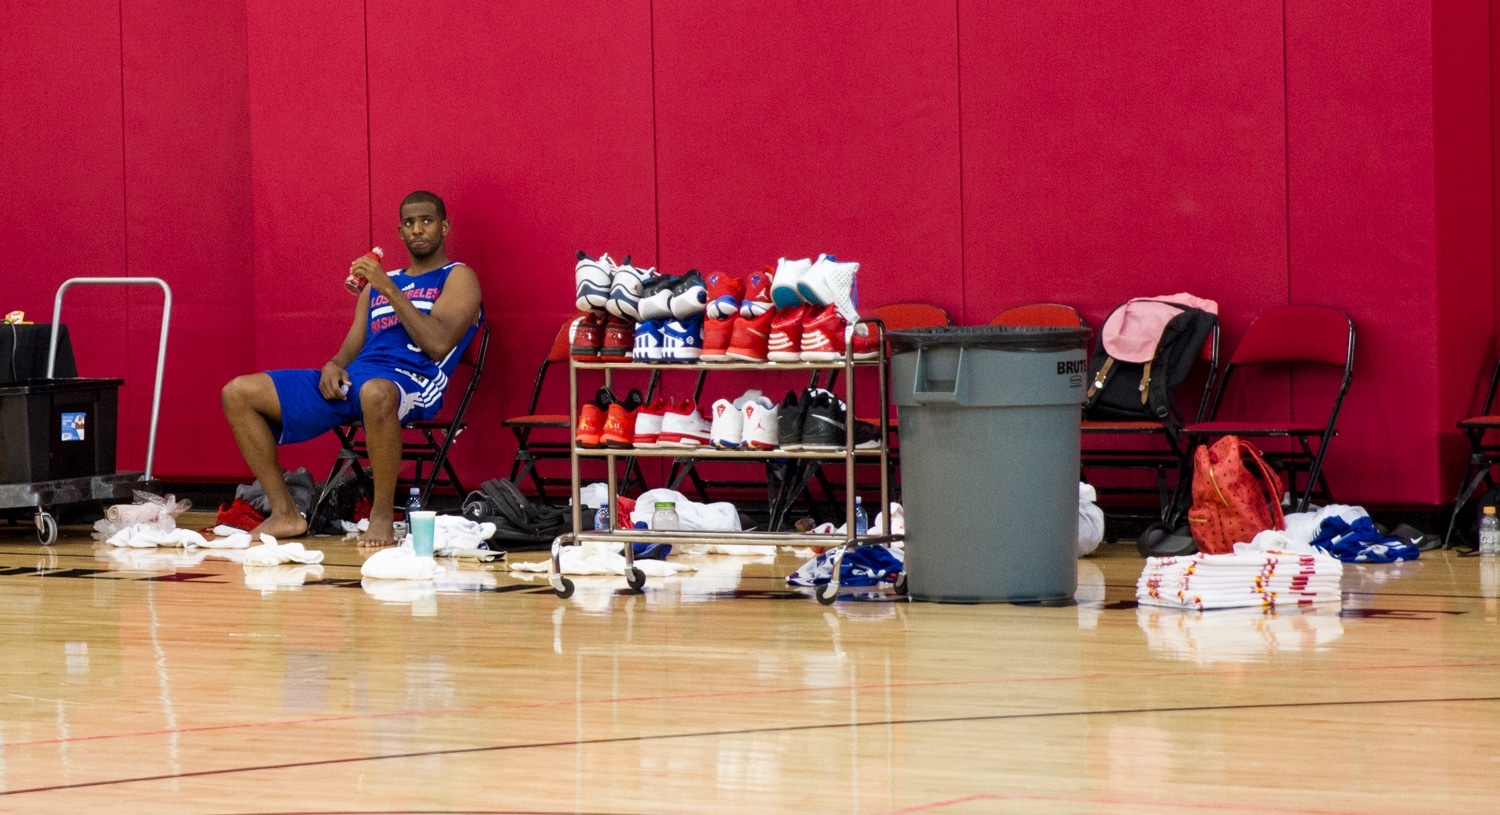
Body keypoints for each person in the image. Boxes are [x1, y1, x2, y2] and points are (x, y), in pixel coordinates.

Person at [222, 191, 483, 546]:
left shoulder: (458, 277)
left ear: (444, 226)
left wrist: (389, 287)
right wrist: (332, 365)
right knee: (238, 392)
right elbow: (351, 347)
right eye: (409, 223)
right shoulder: (376, 285)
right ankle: (284, 512)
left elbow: (438, 343)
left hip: (412, 382)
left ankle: (381, 516)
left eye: (426, 221)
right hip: (358, 381)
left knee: (376, 391)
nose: (418, 229)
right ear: (400, 232)